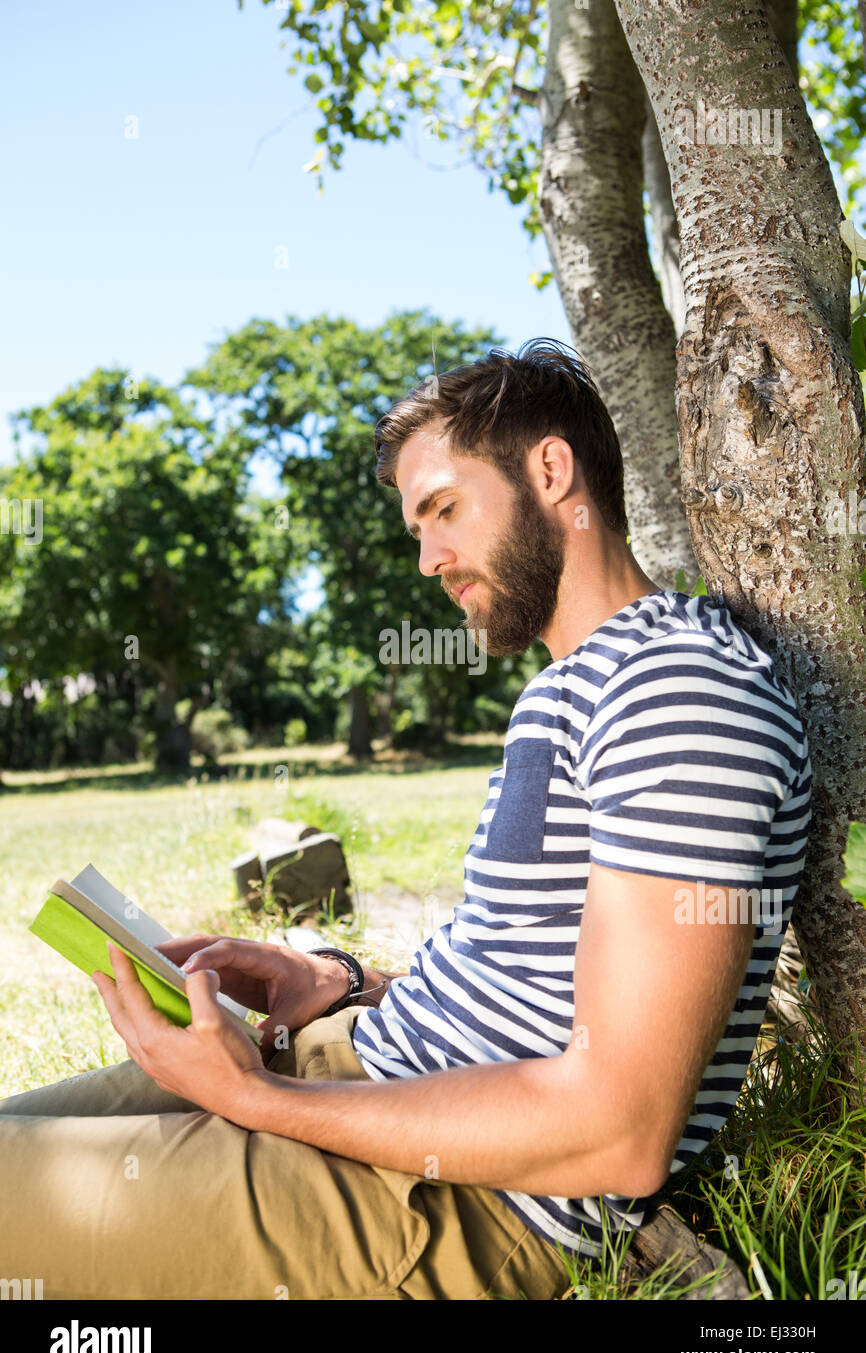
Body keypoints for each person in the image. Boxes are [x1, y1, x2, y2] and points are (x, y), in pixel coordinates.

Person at [0, 338, 812, 1301]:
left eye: (443, 510)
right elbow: (527, 986)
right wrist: (338, 981)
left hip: (450, 1206)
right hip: (351, 1077)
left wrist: (259, 1100)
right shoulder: (577, 687)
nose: (428, 560)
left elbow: (621, 1130)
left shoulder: (679, 690)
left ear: (552, 471)